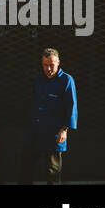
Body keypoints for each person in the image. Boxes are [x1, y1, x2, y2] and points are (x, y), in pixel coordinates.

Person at [18, 48, 78, 184]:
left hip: (54, 133)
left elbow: (71, 106)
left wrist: (65, 129)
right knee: (26, 168)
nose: (49, 68)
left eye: (52, 65)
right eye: (45, 65)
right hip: (35, 131)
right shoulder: (38, 79)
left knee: (53, 172)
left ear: (58, 63)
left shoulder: (66, 80)